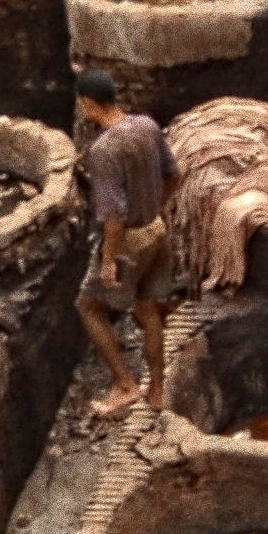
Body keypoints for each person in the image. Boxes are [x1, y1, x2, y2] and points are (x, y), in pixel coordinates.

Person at [74, 68, 179, 418]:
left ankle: (125, 386)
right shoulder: (147, 126)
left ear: (88, 104)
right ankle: (158, 392)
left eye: (81, 105)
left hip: (129, 242)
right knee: (148, 310)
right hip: (157, 230)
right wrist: (157, 208)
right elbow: (175, 174)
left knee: (88, 306)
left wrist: (108, 259)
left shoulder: (104, 149)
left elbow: (113, 214)